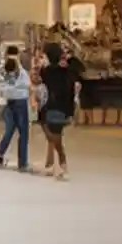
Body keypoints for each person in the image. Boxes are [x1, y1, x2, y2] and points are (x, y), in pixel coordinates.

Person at [39, 48, 79, 180]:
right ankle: (54, 163)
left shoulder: (47, 72)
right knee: (55, 137)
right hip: (60, 108)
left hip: (52, 108)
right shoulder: (67, 73)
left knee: (54, 138)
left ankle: (61, 163)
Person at [0, 46, 32, 171]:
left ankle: (0, 154)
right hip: (20, 101)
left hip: (9, 101)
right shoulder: (20, 68)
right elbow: (27, 83)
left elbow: (0, 84)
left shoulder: (2, 69)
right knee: (23, 132)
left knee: (10, 130)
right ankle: (22, 162)